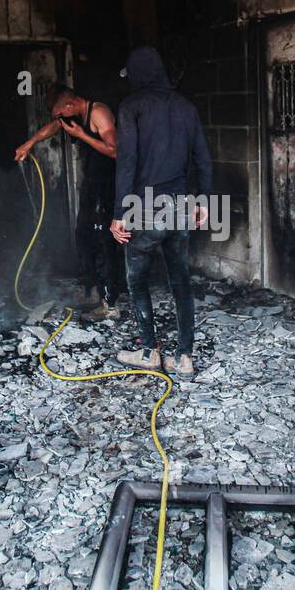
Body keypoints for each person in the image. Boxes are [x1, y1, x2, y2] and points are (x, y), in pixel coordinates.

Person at [110, 46, 212, 377]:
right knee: (180, 279)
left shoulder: (131, 107)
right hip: (181, 205)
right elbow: (202, 159)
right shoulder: (186, 107)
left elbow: (126, 162)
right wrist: (204, 201)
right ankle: (184, 357)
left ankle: (149, 353)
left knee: (137, 280)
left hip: (145, 208)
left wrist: (118, 212)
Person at [15, 83, 121, 320]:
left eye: (61, 113)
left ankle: (110, 303)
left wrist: (81, 135)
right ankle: (91, 290)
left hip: (109, 184)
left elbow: (115, 150)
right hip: (91, 183)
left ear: (70, 105)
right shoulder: (73, 115)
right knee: (83, 233)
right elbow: (54, 127)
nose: (60, 120)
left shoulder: (98, 113)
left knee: (104, 239)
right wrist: (29, 144)